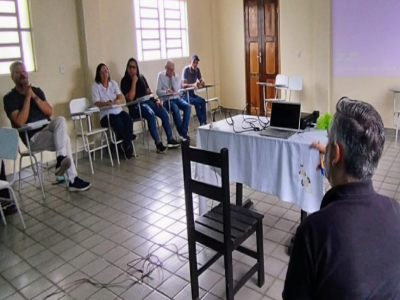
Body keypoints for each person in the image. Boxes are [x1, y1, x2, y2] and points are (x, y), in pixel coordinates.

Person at [283, 97, 400, 300]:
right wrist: (332, 162)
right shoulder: (394, 210)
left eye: (328, 142)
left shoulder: (313, 232)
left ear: (336, 153)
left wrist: (332, 160)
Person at [3, 61, 91, 192]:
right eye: (17, 72)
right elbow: (20, 121)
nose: (22, 74)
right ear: (12, 77)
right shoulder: (9, 98)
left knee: (60, 120)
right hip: (31, 136)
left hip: (46, 126)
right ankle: (72, 178)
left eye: (23, 71)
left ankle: (61, 159)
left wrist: (33, 94)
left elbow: (49, 112)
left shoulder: (37, 91)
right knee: (65, 140)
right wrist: (27, 97)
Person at [120, 58, 180, 153]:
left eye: (134, 67)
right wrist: (134, 82)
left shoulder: (141, 77)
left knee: (163, 112)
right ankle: (158, 143)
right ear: (127, 68)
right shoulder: (124, 81)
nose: (132, 69)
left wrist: (156, 100)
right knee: (150, 114)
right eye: (130, 67)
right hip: (135, 106)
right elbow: (130, 98)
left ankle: (170, 139)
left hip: (148, 101)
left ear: (137, 68)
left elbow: (149, 91)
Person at [92, 63, 135, 159]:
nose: (104, 74)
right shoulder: (96, 86)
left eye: (106, 71)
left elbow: (120, 96)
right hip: (106, 115)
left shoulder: (113, 83)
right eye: (102, 72)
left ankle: (124, 144)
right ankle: (128, 139)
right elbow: (96, 102)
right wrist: (106, 103)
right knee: (119, 123)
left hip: (117, 110)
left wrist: (118, 101)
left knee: (129, 120)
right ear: (98, 74)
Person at [156, 60, 191, 141]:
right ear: (165, 68)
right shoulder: (161, 75)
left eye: (173, 69)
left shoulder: (176, 76)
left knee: (187, 107)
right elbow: (158, 91)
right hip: (167, 100)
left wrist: (172, 77)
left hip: (177, 98)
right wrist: (166, 91)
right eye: (170, 69)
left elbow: (176, 89)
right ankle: (182, 134)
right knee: (175, 109)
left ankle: (183, 132)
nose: (172, 71)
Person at [181, 54, 207, 126]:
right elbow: (183, 85)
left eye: (196, 63)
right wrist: (193, 85)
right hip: (185, 95)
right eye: (194, 62)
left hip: (192, 94)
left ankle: (203, 121)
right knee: (197, 102)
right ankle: (202, 122)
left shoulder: (197, 70)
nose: (195, 64)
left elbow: (201, 80)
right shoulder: (186, 70)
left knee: (202, 101)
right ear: (190, 62)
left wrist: (201, 83)